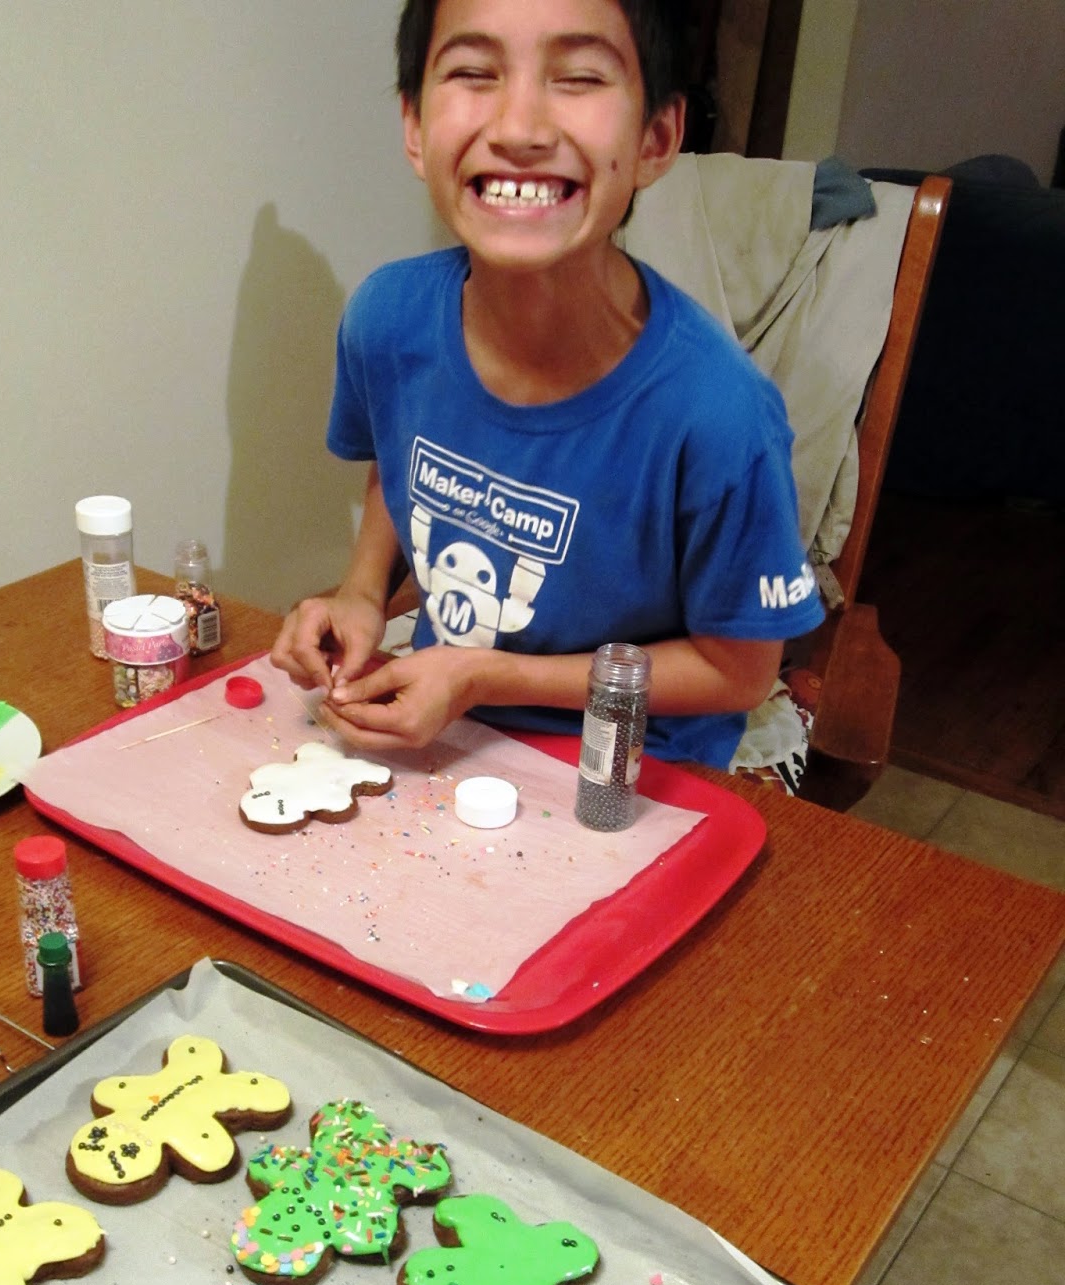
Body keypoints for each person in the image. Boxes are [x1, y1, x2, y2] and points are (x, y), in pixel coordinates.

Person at [271, 0, 824, 770]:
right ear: (415, 128)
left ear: (656, 139)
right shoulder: (387, 319)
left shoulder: (719, 413)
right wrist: (359, 593)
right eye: (472, 72)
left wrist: (484, 674)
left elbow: (740, 671)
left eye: (578, 76)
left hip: (629, 778)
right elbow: (399, 466)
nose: (520, 127)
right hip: (436, 744)